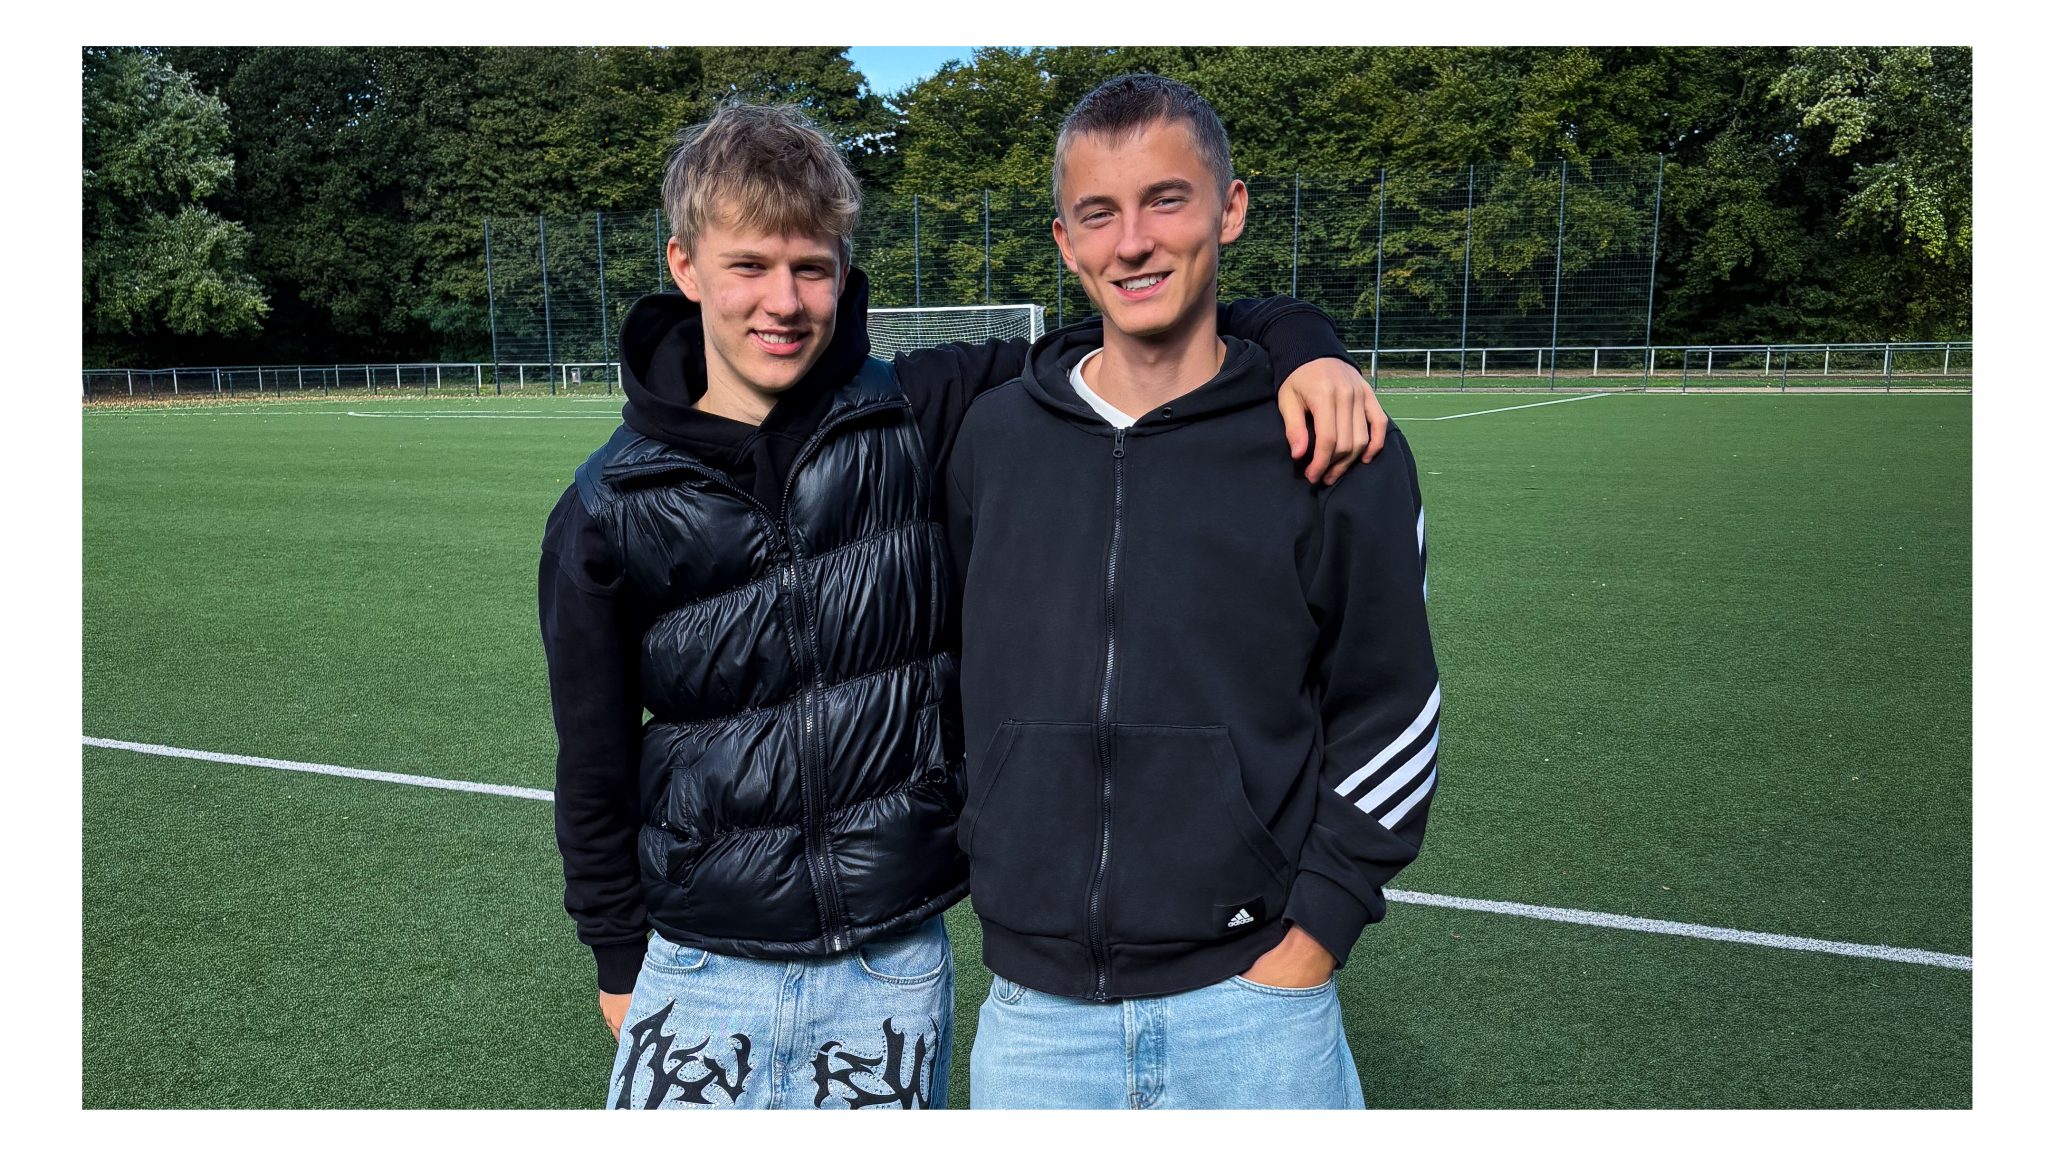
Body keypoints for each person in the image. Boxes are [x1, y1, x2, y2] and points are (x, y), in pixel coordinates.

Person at [538, 101, 1390, 1110]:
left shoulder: (918, 411)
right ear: (685, 267)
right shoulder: (604, 506)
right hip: (693, 961)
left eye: (811, 267)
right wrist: (616, 956)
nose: (784, 301)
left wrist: (1303, 342)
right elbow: (592, 760)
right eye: (749, 266)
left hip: (886, 964)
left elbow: (1143, 315)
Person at [946, 73, 1441, 1109]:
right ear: (1064, 242)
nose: (1132, 241)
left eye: (1165, 199)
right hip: (1034, 1023)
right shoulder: (989, 439)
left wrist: (1315, 934)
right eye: (1098, 213)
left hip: (1256, 1010)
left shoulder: (1335, 446)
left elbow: (1392, 703)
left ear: (1230, 208)